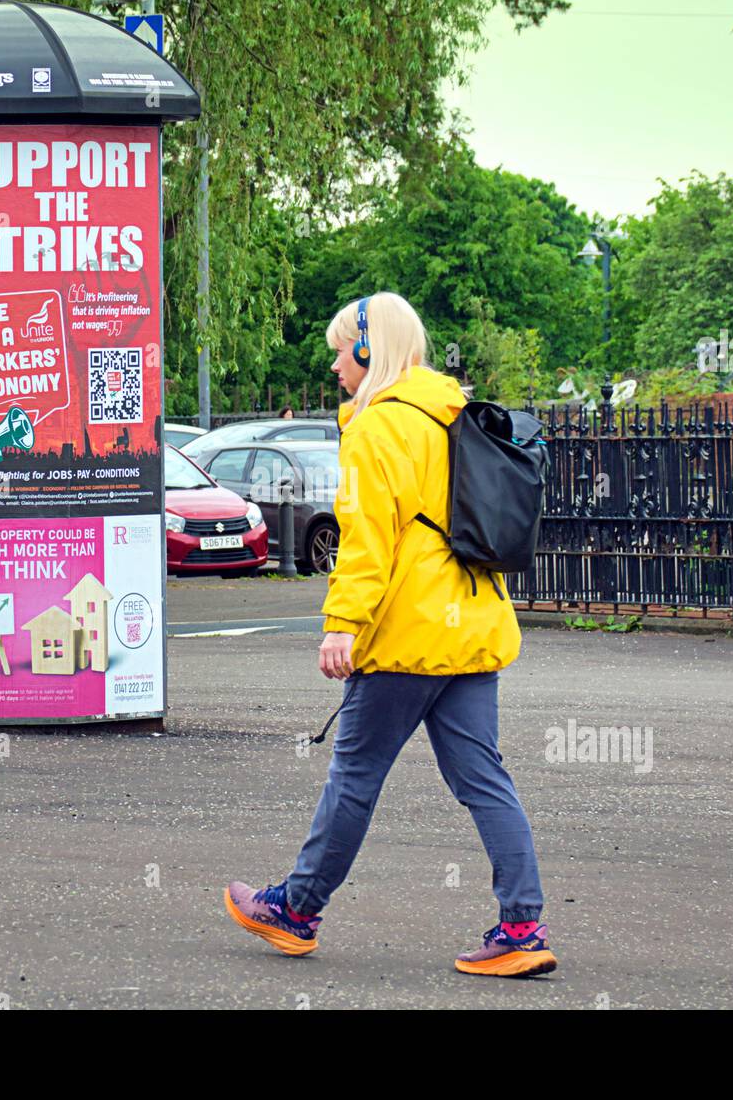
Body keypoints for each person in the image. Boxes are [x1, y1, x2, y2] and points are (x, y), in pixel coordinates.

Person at [223, 292, 555, 977]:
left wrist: (342, 624)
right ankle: (523, 925)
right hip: (471, 623)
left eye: (344, 350)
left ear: (372, 350)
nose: (338, 365)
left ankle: (295, 909)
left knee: (354, 778)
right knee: (483, 779)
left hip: (407, 631)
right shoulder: (454, 412)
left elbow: (367, 544)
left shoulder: (376, 429)